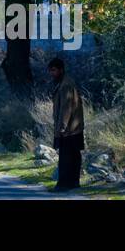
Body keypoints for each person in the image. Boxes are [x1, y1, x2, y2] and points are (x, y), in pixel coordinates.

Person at [49, 56, 84, 191]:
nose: (52, 73)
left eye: (54, 70)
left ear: (61, 70)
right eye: (50, 71)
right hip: (73, 127)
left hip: (70, 129)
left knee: (66, 157)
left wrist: (62, 127)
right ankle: (73, 183)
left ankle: (64, 184)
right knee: (72, 156)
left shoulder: (66, 85)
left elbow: (66, 107)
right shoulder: (63, 83)